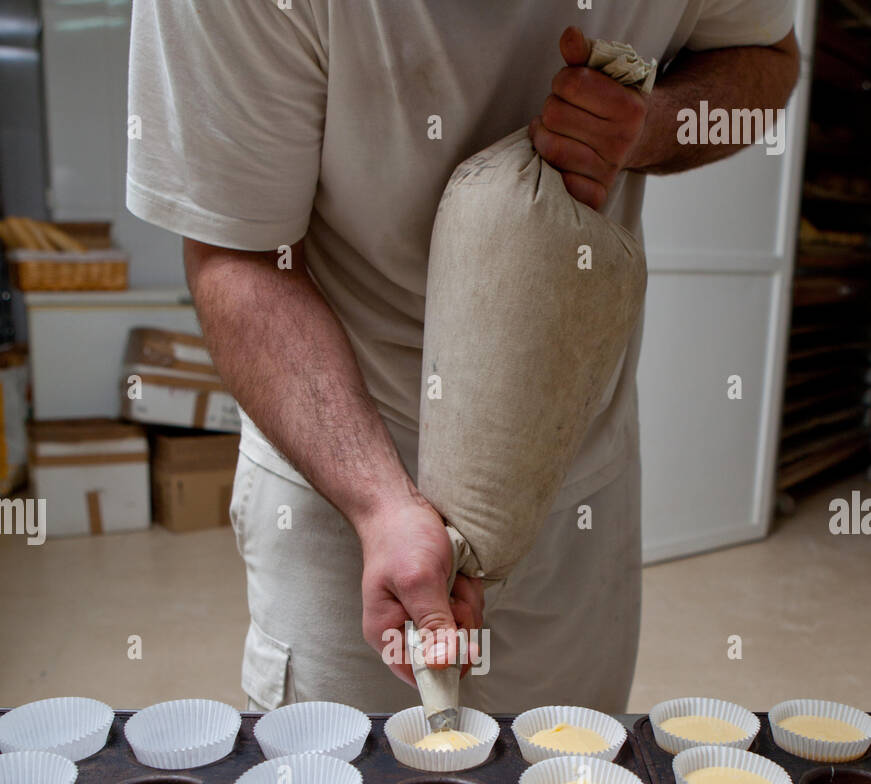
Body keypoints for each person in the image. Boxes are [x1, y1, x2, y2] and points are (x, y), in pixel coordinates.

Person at [127, 1, 799, 714]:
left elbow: (763, 58)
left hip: (571, 466)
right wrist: (380, 507)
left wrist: (649, 124)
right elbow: (240, 256)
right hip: (348, 467)